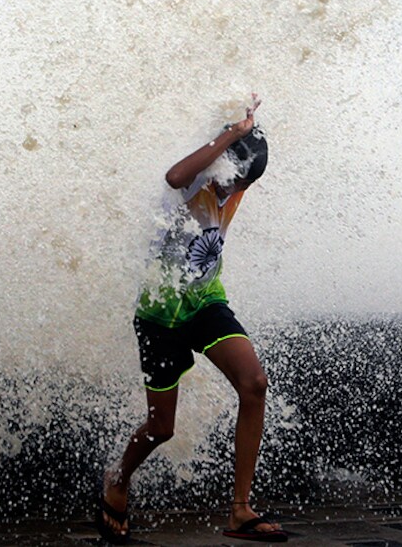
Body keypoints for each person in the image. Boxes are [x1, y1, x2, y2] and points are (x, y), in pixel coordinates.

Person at [98, 97, 288, 544]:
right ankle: (118, 478)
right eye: (234, 176)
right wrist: (230, 136)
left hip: (205, 303)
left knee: (254, 382)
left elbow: (239, 174)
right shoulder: (195, 180)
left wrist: (246, 134)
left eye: (245, 182)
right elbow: (173, 175)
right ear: (221, 160)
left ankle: (241, 510)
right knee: (162, 427)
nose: (235, 188)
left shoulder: (236, 185)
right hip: (160, 312)